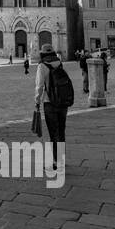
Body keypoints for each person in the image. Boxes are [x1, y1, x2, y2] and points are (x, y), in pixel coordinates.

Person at [33, 44, 71, 174]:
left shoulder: (42, 66)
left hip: (50, 102)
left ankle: (56, 162)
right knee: (61, 131)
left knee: (53, 132)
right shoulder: (59, 62)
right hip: (62, 102)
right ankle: (61, 160)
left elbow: (39, 86)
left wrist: (37, 101)